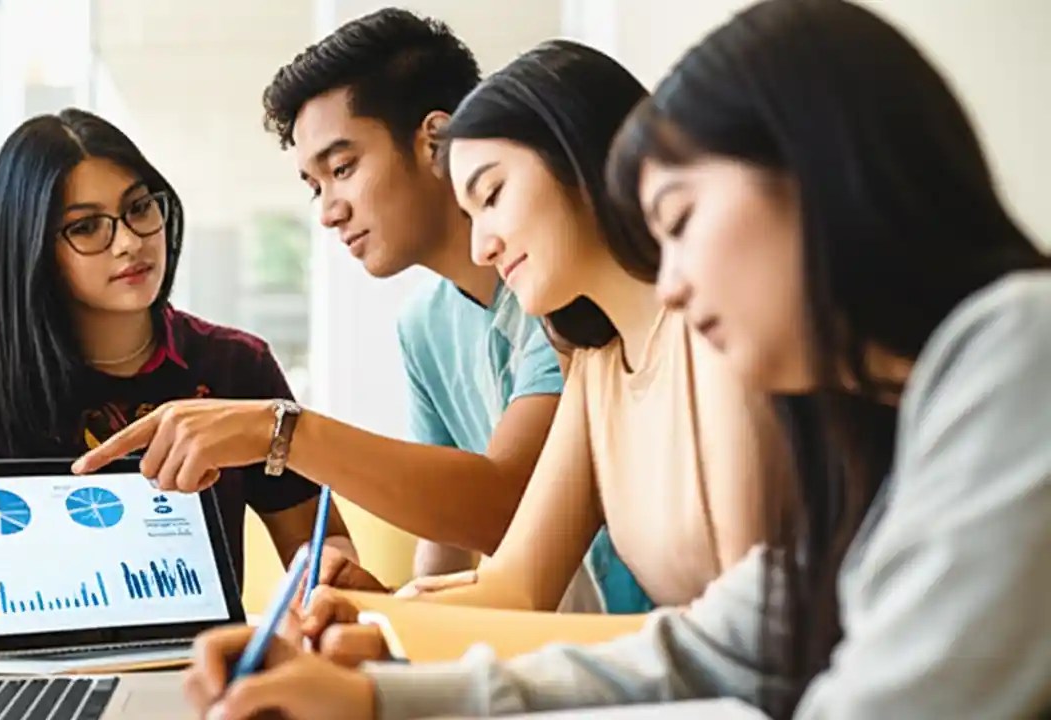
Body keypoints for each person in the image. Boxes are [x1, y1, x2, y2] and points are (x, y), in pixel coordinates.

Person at [179, 1, 1051, 717]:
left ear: (812, 171)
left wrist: (282, 438)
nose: (671, 280)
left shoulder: (1020, 349)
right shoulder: (872, 421)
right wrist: (371, 682)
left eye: (677, 218)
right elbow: (709, 646)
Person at [72, 8, 636, 610]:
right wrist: (380, 604)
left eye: (343, 169)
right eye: (315, 186)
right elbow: (453, 559)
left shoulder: (561, 302)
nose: (329, 210)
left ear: (435, 141)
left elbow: (507, 504)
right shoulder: (425, 327)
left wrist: (277, 430)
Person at [0, 108, 354, 647]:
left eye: (140, 208)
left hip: (188, 674)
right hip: (1, 674)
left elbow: (319, 549)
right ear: (34, 247)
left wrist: (332, 579)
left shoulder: (233, 366)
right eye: (86, 227)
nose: (128, 241)